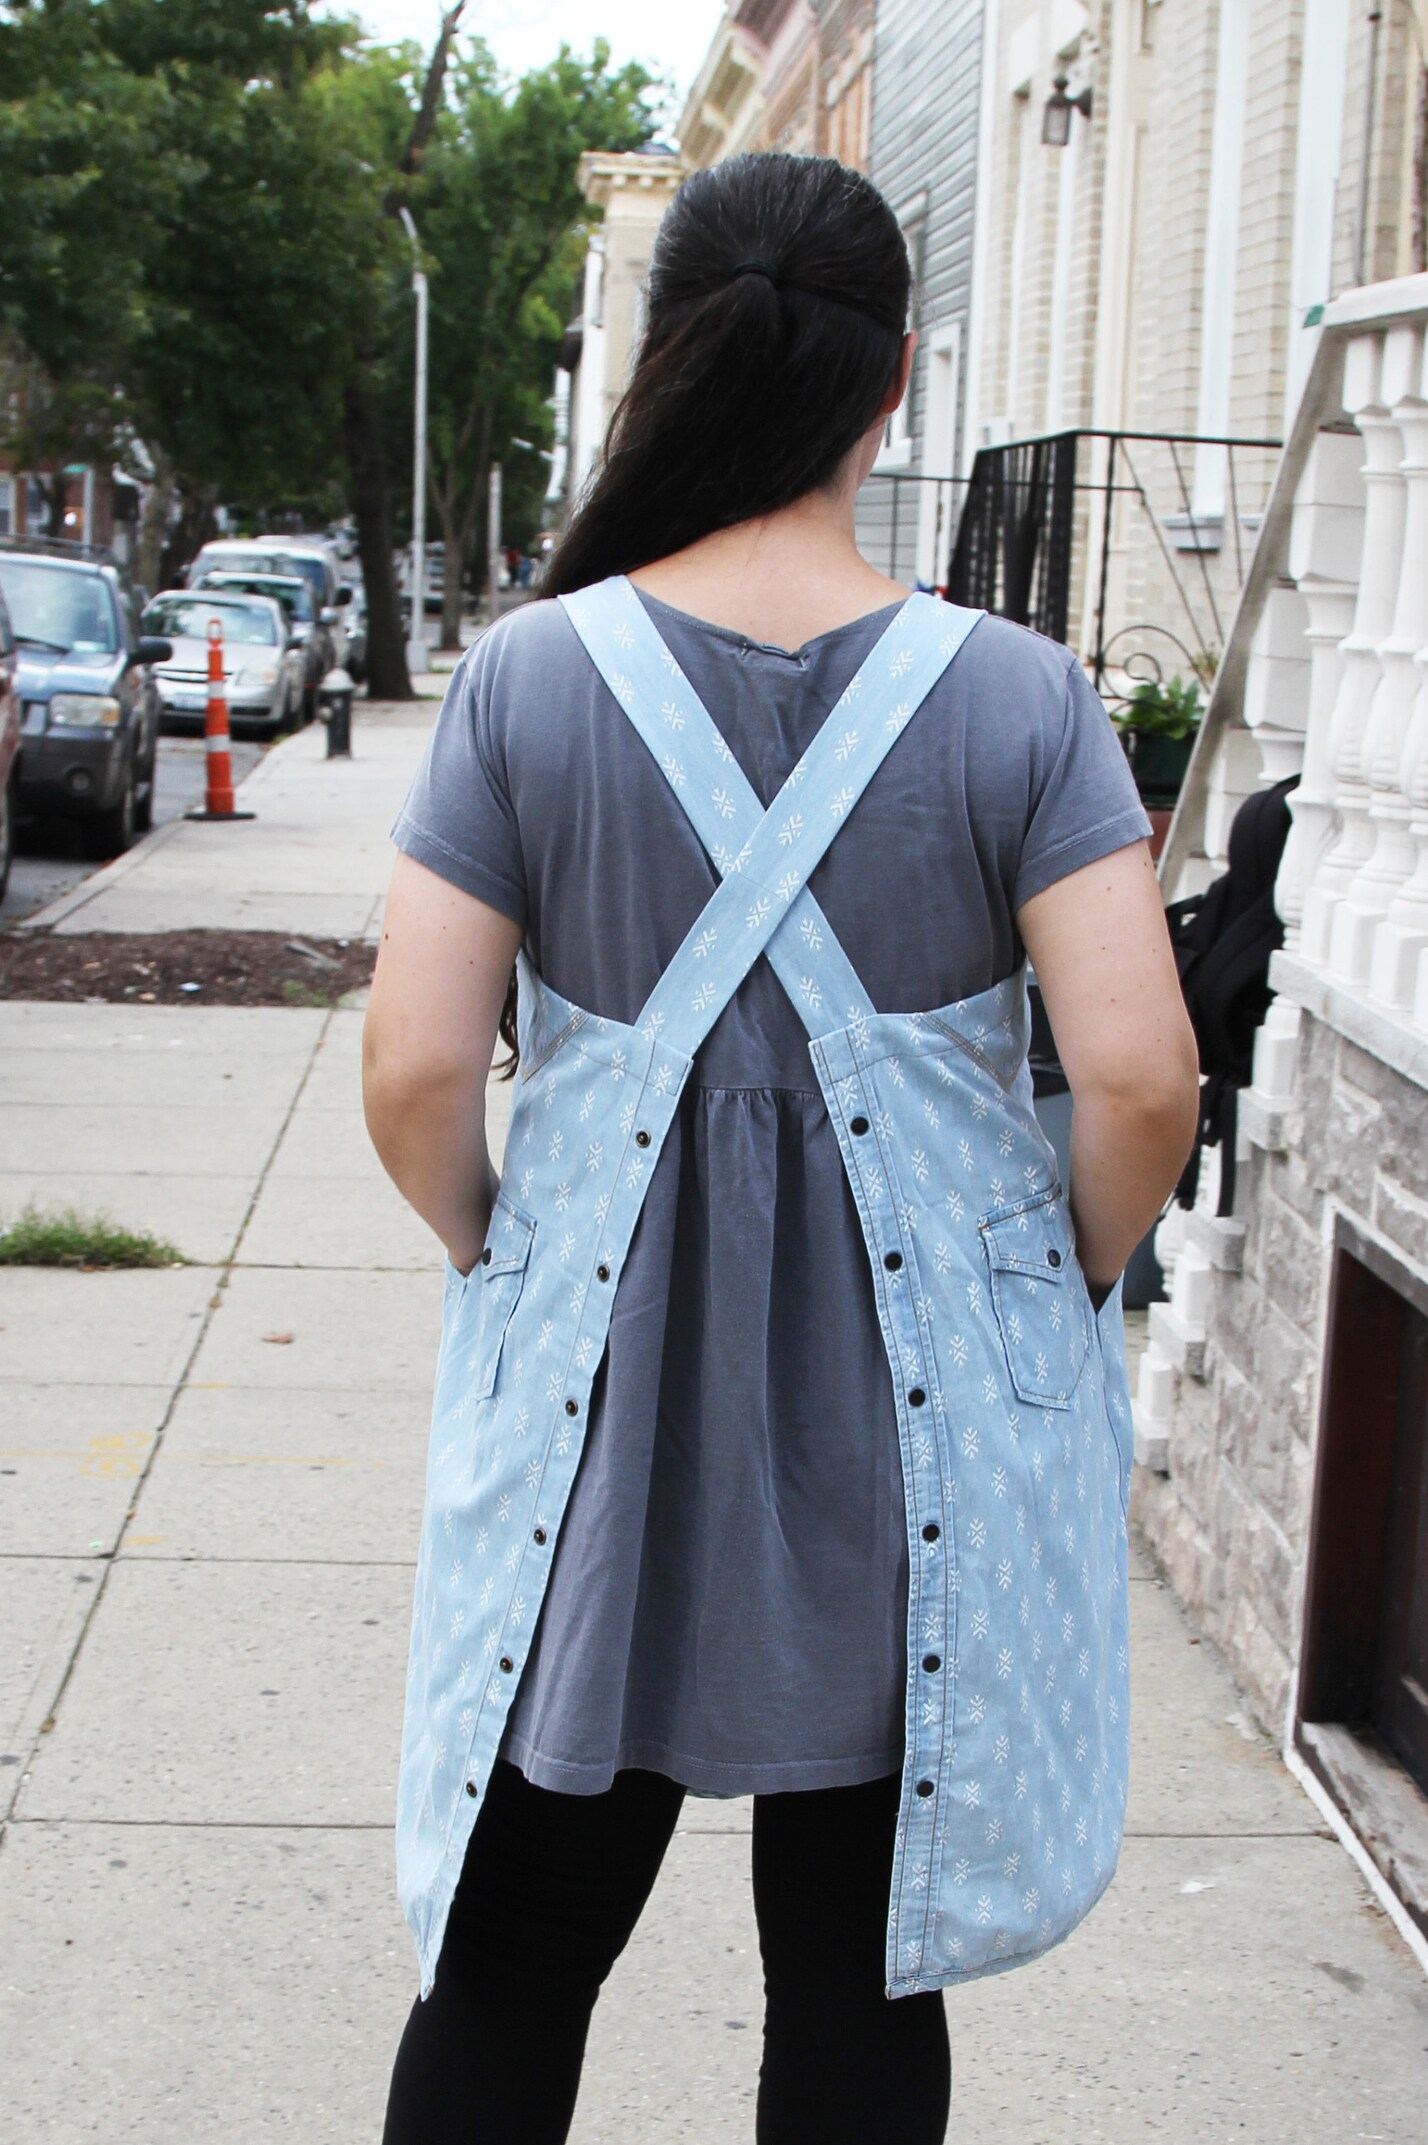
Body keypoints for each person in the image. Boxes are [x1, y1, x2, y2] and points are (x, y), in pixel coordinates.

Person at [362, 152, 1199, 2145]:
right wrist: (1050, 1277)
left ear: (670, 357)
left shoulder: (529, 680)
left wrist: (511, 1249)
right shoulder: (1016, 699)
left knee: (510, 1960)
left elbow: (412, 1070)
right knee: (852, 1966)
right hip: (908, 1445)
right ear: (893, 378)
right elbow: (1140, 1078)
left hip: (604, 1421)